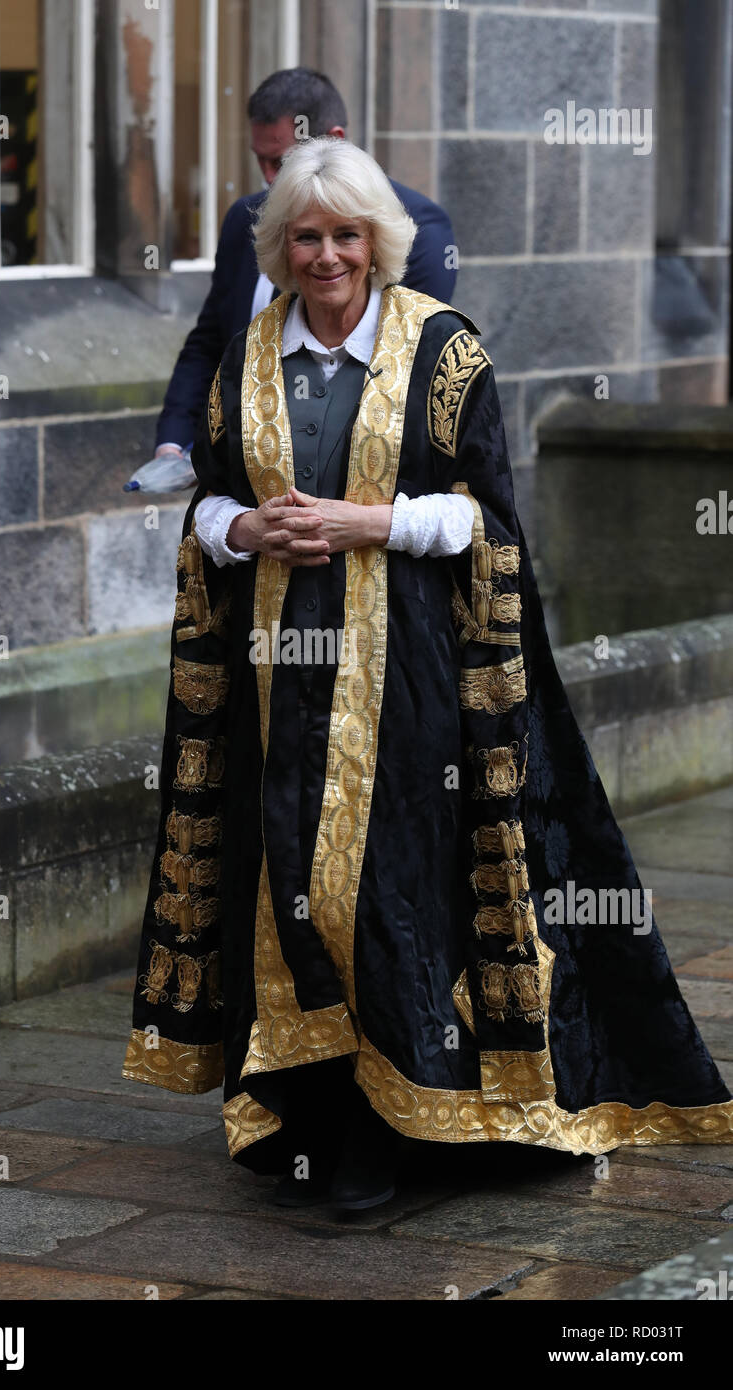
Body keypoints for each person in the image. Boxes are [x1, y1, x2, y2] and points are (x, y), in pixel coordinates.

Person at [122, 137, 732, 1212]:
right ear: (278, 246)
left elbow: (486, 518)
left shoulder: (443, 352)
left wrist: (372, 521)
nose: (324, 256)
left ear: (377, 243)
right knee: (291, 890)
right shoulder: (244, 359)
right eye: (303, 237)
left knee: (386, 890)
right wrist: (243, 529)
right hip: (276, 681)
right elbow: (206, 505)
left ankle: (388, 1125)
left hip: (410, 675)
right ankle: (305, 1114)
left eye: (343, 235)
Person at [153, 67, 457, 460]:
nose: (267, 179)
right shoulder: (246, 218)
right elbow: (212, 339)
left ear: (333, 142)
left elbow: (413, 371)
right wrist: (173, 443)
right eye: (259, 160)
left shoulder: (418, 229)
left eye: (280, 162)